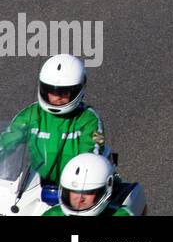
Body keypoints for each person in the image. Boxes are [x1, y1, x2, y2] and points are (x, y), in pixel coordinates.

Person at [0, 55, 105, 187]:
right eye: (52, 92)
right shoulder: (31, 115)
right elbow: (5, 141)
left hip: (74, 187)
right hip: (34, 187)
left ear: (78, 90)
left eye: (64, 92)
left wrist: (74, 189)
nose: (57, 98)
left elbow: (91, 157)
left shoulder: (88, 119)